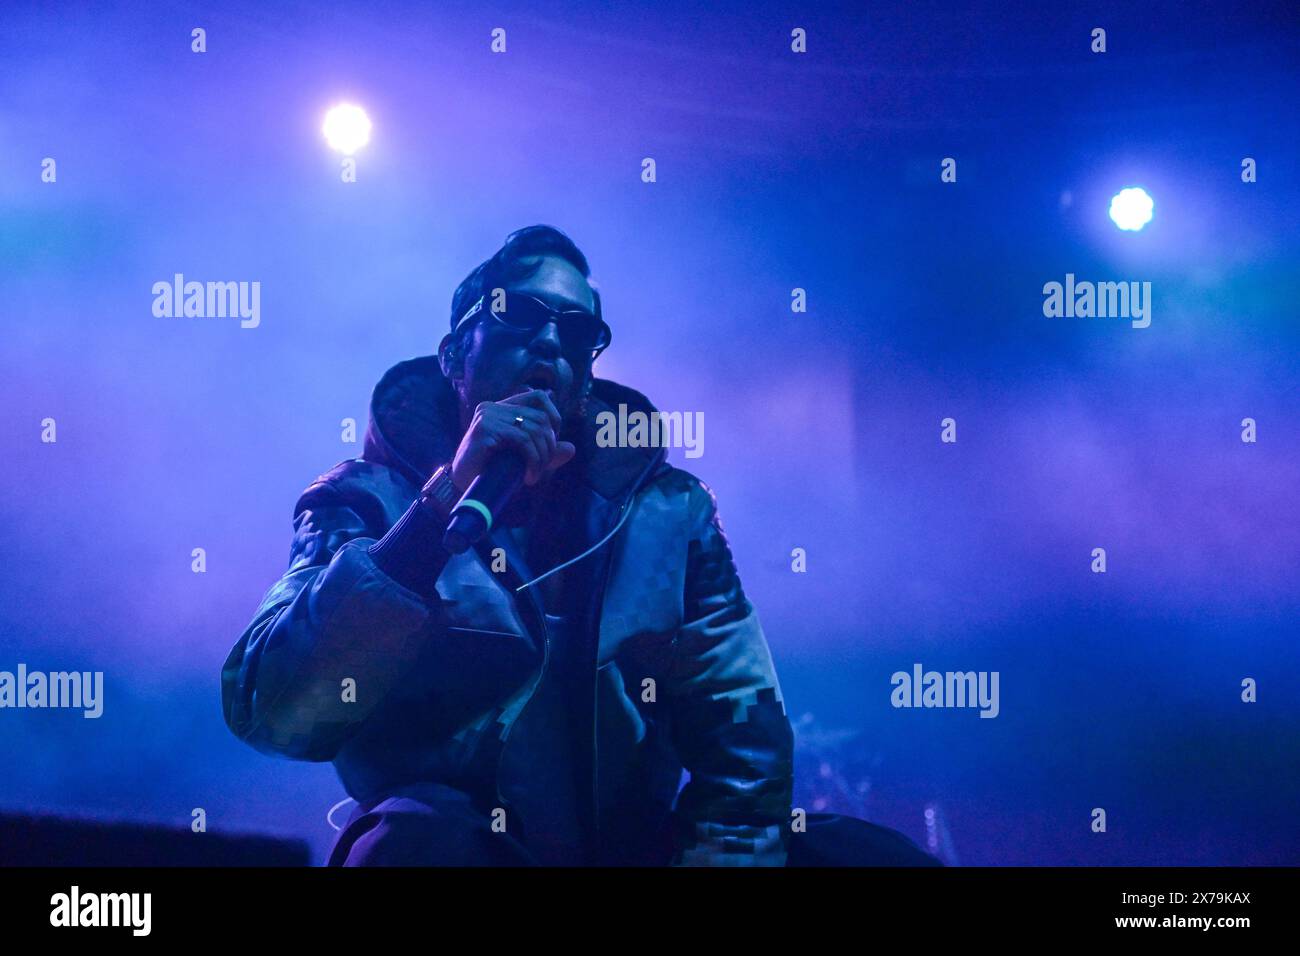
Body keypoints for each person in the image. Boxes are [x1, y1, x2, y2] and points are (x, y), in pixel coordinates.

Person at [221, 224, 938, 867]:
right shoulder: (365, 503)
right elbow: (277, 711)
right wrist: (437, 510)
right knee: (417, 842)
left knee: (866, 858)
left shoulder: (667, 514)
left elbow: (740, 737)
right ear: (452, 356)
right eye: (519, 316)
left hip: (636, 855)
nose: (549, 343)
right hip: (460, 853)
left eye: (577, 333)